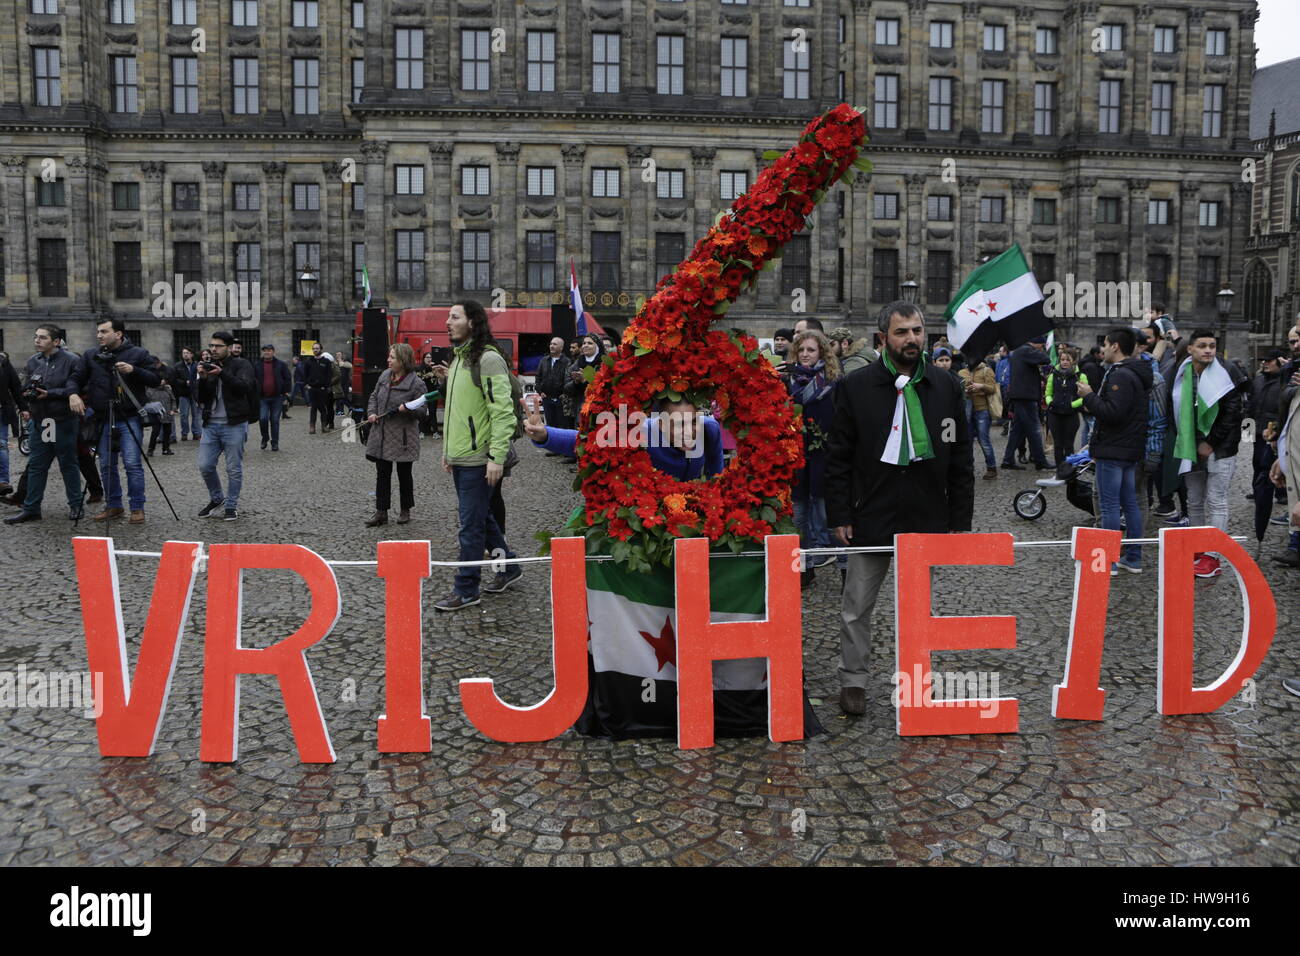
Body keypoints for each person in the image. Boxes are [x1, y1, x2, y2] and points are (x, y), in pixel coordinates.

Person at [825, 302, 974, 716]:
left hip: (926, 517)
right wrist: (839, 514)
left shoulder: (945, 386)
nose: (912, 340)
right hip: (870, 514)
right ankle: (853, 681)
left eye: (917, 331)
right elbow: (837, 456)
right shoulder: (855, 387)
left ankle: (916, 679)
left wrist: (958, 518)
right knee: (856, 608)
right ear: (882, 339)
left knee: (919, 609)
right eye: (902, 332)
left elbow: (960, 455)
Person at [431, 300, 522, 611]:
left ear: (472, 322)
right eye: (448, 316)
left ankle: (467, 588)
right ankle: (508, 567)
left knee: (470, 526)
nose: (447, 322)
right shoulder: (458, 360)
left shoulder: (488, 359)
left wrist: (496, 457)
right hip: (462, 458)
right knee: (483, 519)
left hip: (480, 460)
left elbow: (503, 413)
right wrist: (448, 453)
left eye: (454, 317)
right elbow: (458, 412)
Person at [1165, 329, 1247, 579]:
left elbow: (1234, 412)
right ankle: (1198, 548)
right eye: (1202, 346)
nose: (1208, 350)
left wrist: (1211, 442)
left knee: (1217, 500)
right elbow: (1173, 407)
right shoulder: (1181, 372)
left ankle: (1214, 556)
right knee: (1194, 500)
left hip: (1220, 449)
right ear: (1190, 349)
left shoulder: (1226, 372)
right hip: (1191, 445)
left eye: (1212, 345)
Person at [1077, 328, 1152, 574]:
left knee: (1110, 506)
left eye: (1106, 344)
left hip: (1114, 450)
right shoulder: (1137, 372)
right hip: (1129, 449)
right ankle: (1133, 557)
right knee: (1130, 503)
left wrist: (1088, 397)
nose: (1104, 350)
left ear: (1116, 346)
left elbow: (1113, 413)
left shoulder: (1120, 375)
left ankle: (1109, 561)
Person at [79, 318, 161, 524]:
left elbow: (156, 379)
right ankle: (114, 505)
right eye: (98, 332)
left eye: (104, 331)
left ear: (118, 334)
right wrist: (73, 393)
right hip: (103, 417)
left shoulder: (138, 354)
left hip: (129, 417)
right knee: (106, 465)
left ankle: (137, 507)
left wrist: (134, 370)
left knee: (132, 464)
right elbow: (77, 378)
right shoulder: (91, 355)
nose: (99, 336)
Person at [4, 326, 85, 524]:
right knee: (37, 466)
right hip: (40, 420)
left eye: (42, 338)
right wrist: (27, 394)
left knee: (68, 464)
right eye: (36, 337)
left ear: (56, 341)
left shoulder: (72, 361)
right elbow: (25, 386)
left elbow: (76, 388)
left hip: (62, 420)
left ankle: (76, 505)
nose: (37, 341)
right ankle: (32, 508)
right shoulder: (34, 361)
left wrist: (51, 393)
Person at [787, 330, 840, 588]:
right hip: (796, 460)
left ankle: (844, 569)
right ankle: (803, 571)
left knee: (826, 519)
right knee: (798, 519)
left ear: (822, 353)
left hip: (824, 459)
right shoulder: (789, 383)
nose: (806, 355)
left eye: (811, 350)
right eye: (802, 350)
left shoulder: (833, 383)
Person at [195, 330, 258, 521]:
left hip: (234, 424)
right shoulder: (208, 366)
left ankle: (231, 504)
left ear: (229, 348)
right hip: (210, 424)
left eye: (218, 346)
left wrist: (222, 374)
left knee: (233, 468)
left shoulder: (242, 364)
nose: (213, 349)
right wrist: (203, 379)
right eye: (211, 345)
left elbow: (244, 387)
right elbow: (200, 398)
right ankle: (217, 498)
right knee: (205, 465)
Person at [364, 343, 428, 527]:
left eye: (392, 357)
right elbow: (374, 397)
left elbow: (423, 411)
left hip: (403, 437)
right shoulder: (385, 376)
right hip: (382, 435)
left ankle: (405, 509)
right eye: (389, 357)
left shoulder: (416, 384)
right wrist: (372, 413)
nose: (388, 360)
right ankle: (381, 512)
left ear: (403, 360)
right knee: (382, 474)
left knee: (404, 475)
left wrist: (407, 409)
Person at [1001, 336, 1051, 471]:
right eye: (1041, 346)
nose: (1042, 349)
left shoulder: (1019, 351)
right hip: (1025, 397)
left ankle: (1008, 460)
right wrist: (1041, 350)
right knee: (1034, 429)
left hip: (1021, 396)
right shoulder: (1026, 350)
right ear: (1037, 344)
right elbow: (1046, 359)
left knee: (1017, 430)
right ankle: (1040, 461)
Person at [562, 334, 605, 464]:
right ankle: (582, 464)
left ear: (597, 347)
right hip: (581, 406)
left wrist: (587, 380)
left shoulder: (604, 362)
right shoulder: (576, 364)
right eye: (584, 343)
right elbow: (566, 387)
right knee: (581, 435)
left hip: (601, 407)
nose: (586, 345)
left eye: (590, 343)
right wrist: (577, 382)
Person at [1045, 346, 1088, 471]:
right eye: (1062, 359)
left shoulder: (1080, 376)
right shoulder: (1053, 375)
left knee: (1068, 445)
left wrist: (1072, 405)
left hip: (1071, 415)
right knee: (1058, 444)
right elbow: (1048, 393)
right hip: (1055, 414)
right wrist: (1051, 402)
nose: (1064, 362)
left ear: (1073, 361)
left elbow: (1085, 396)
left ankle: (1069, 469)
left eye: (1067, 360)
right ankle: (1060, 469)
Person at [958, 351, 999, 479]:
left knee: (984, 440)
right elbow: (958, 391)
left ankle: (991, 468)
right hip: (967, 411)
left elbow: (992, 388)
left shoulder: (986, 371)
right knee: (967, 441)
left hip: (982, 410)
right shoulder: (961, 373)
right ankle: (968, 468)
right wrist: (966, 390)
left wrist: (980, 386)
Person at [256, 344, 291, 451]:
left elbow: (287, 378)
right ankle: (265, 437)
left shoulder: (281, 364)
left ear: (273, 352)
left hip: (277, 397)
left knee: (275, 420)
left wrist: (285, 392)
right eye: (265, 350)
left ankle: (275, 442)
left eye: (269, 350)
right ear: (262, 352)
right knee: (263, 418)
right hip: (262, 398)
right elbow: (253, 379)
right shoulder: (257, 364)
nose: (267, 352)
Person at [535, 336, 571, 431]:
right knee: (550, 426)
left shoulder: (567, 362)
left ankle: (560, 445)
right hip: (547, 398)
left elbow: (568, 380)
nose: (551, 346)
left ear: (561, 347)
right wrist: (539, 391)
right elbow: (538, 377)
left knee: (561, 426)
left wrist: (564, 394)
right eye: (551, 344)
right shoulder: (544, 360)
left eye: (555, 344)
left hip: (560, 400)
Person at [0, 350, 23, 497]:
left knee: (1, 446)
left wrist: (24, 408)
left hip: (1, 411)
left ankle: (2, 482)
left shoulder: (3, 362)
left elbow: (15, 386)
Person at [142, 371, 176, 456]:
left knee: (167, 432)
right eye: (160, 380)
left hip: (168, 414)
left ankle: (166, 449)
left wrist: (173, 409)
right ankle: (150, 449)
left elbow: (173, 400)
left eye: (163, 380)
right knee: (155, 432)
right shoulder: (150, 390)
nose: (162, 381)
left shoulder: (168, 389)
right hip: (156, 415)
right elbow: (147, 402)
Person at [305, 342, 334, 433]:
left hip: (322, 389)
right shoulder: (309, 361)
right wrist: (307, 384)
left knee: (322, 408)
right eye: (313, 348)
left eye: (317, 348)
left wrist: (327, 386)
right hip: (312, 388)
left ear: (321, 349)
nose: (315, 350)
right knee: (313, 407)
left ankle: (323, 426)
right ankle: (312, 427)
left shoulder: (326, 361)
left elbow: (329, 375)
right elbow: (305, 374)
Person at [172, 347, 201, 441]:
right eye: (184, 353)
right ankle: (184, 433)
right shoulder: (177, 366)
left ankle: (196, 433)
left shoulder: (197, 365)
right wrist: (185, 382)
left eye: (187, 353)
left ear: (192, 354)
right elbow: (175, 379)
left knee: (195, 415)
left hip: (195, 394)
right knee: (183, 415)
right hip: (183, 394)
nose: (185, 354)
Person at [417, 352, 442, 437]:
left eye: (430, 357)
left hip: (433, 393)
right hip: (423, 393)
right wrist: (428, 375)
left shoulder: (434, 368)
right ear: (423, 359)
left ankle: (435, 432)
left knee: (432, 412)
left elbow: (438, 380)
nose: (429, 359)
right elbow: (419, 379)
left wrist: (436, 373)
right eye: (427, 357)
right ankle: (421, 431)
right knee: (422, 412)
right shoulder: (420, 368)